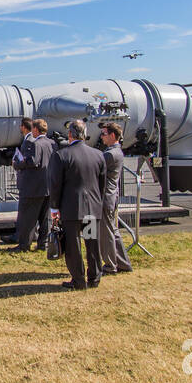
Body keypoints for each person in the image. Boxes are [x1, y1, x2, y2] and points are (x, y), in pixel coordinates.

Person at [47, 120, 105, 290]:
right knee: (92, 243)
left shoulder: (62, 155)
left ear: (70, 134)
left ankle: (78, 279)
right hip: (92, 208)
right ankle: (94, 277)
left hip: (72, 208)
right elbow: (101, 183)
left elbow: (55, 184)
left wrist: (54, 207)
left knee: (74, 245)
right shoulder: (98, 154)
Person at [9, 118, 53, 252]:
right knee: (45, 218)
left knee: (28, 218)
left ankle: (24, 245)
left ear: (35, 129)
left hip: (33, 186)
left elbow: (32, 161)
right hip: (47, 186)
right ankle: (43, 243)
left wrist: (17, 164)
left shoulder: (36, 144)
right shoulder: (52, 143)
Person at [99, 122, 133, 275]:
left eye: (104, 134)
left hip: (105, 196)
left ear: (113, 135)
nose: (101, 137)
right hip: (111, 195)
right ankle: (122, 262)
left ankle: (110, 264)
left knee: (106, 233)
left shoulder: (110, 154)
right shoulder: (116, 152)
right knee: (113, 230)